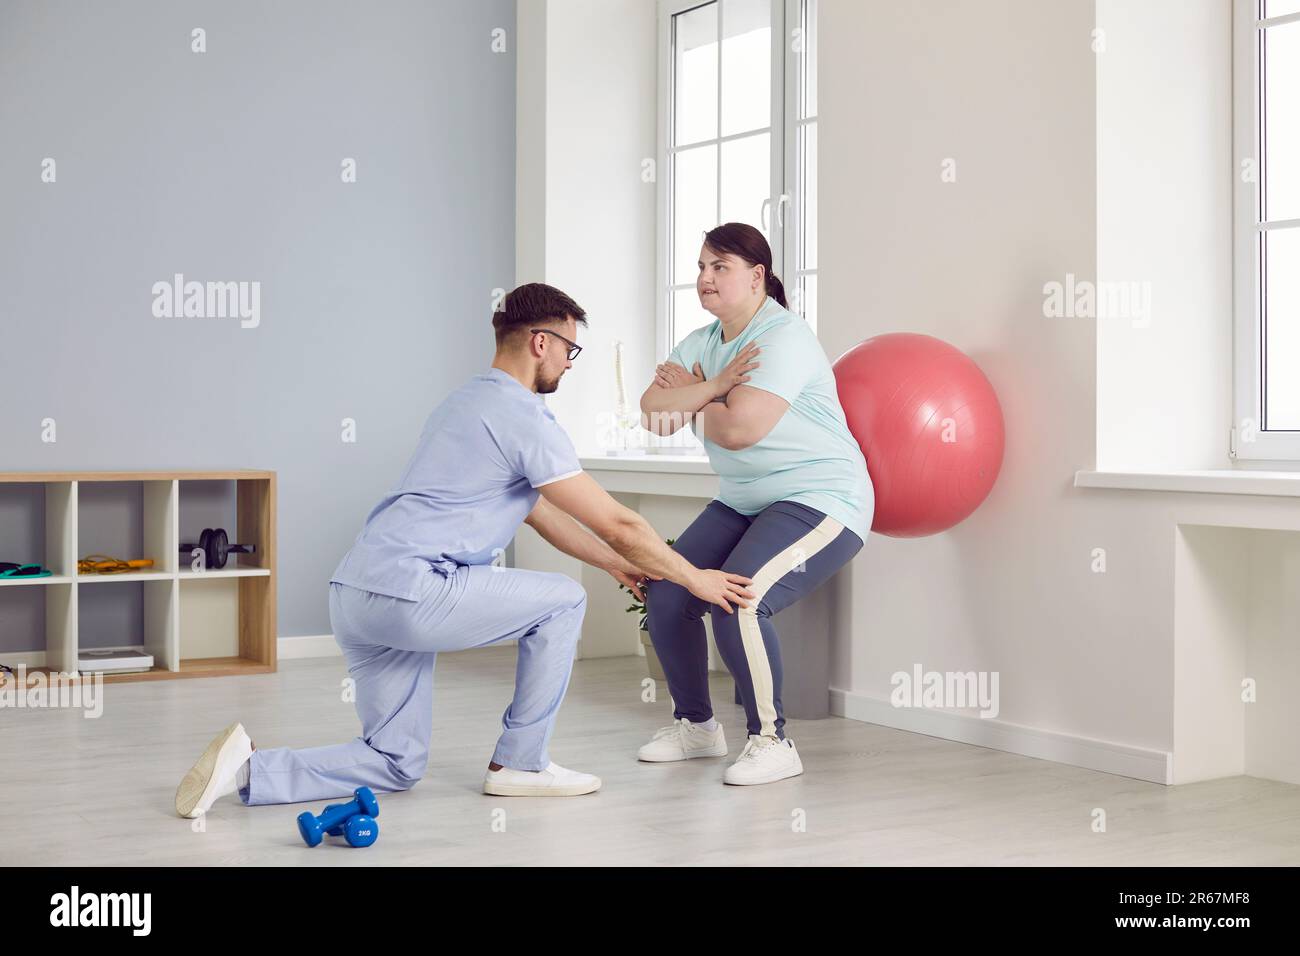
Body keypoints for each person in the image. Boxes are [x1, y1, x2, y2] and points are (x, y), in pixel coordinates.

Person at [174, 283, 754, 817]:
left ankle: (250, 769)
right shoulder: (524, 415)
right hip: (413, 590)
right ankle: (521, 763)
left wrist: (616, 564)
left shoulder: (463, 404)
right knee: (562, 601)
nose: (569, 366)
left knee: (394, 761)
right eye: (570, 352)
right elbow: (621, 522)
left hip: (356, 594)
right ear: (540, 342)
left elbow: (541, 512)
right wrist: (693, 578)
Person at [637, 222, 873, 786]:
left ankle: (772, 741)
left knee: (739, 598)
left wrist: (696, 390)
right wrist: (717, 385)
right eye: (700, 266)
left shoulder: (783, 337)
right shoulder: (702, 343)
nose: (705, 278)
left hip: (820, 498)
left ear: (756, 276)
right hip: (743, 500)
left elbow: (741, 429)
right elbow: (653, 413)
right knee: (668, 591)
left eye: (719, 266)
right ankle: (696, 728)